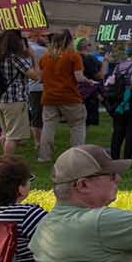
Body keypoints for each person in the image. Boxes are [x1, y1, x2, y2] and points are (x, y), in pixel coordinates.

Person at [36, 30, 87, 164]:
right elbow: (79, 78)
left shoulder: (45, 58)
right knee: (77, 126)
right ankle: (76, 157)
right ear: (69, 41)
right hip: (70, 97)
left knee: (48, 127)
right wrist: (89, 81)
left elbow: (40, 79)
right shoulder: (73, 56)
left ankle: (44, 156)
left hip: (49, 97)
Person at [0, 29, 39, 158]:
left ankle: (4, 158)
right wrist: (33, 57)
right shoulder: (15, 58)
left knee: (6, 133)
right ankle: (6, 161)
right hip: (15, 100)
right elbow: (35, 76)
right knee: (14, 136)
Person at [104, 43, 132, 162]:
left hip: (119, 100)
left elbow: (111, 79)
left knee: (118, 129)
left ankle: (114, 156)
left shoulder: (119, 65)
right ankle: (127, 158)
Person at [75, 38, 103, 128]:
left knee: (77, 119)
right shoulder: (89, 59)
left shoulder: (75, 57)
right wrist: (105, 61)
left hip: (76, 90)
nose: (91, 46)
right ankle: (81, 140)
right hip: (89, 91)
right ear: (85, 47)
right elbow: (99, 76)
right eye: (89, 44)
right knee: (85, 120)